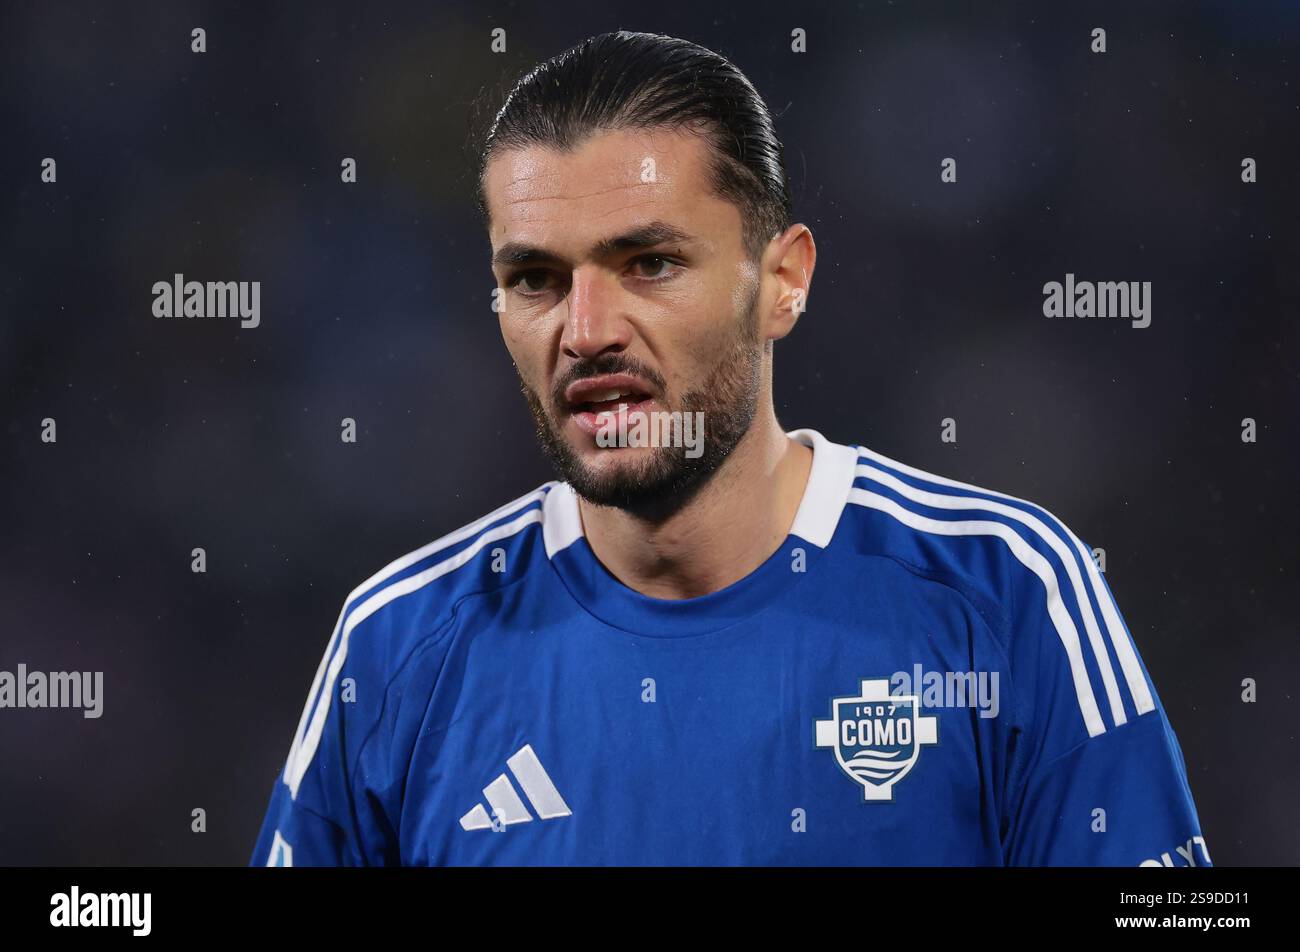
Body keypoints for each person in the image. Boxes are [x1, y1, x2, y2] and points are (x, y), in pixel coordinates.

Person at [251, 30, 1208, 866]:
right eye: (537, 278)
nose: (586, 330)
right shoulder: (397, 650)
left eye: (650, 264)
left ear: (781, 282)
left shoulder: (1004, 596)